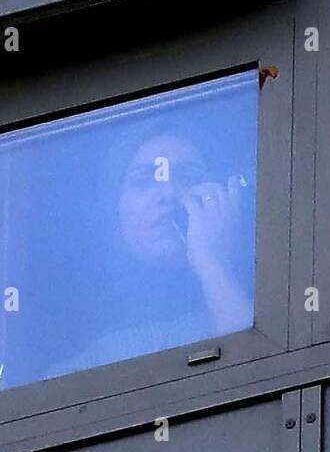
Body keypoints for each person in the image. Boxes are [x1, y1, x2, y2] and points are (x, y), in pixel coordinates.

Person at [46, 118, 254, 377]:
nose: (169, 193)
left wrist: (214, 265)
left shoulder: (266, 302)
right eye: (144, 181)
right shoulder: (78, 344)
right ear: (115, 209)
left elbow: (259, 376)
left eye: (188, 176)